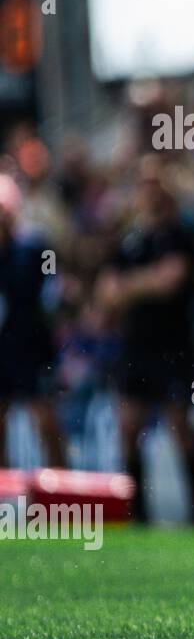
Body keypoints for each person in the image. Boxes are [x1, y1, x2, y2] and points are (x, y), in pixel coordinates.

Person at [96, 159, 194, 523]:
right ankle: (139, 513)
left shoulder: (180, 234)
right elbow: (106, 294)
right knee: (129, 428)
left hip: (173, 344)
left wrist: (130, 287)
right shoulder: (128, 240)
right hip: (136, 345)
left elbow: (170, 281)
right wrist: (143, 284)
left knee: (182, 427)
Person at [0, 173, 66, 468]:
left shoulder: (35, 246)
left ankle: (62, 497)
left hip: (32, 347)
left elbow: (55, 285)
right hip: (3, 348)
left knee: (47, 424)